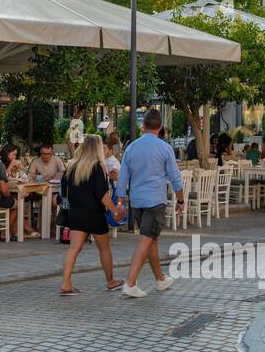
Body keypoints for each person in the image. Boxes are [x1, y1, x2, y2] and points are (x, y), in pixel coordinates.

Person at [119, 109, 182, 298]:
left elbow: (123, 177)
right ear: (160, 127)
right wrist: (181, 199)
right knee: (146, 239)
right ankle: (130, 283)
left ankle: (160, 279)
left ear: (143, 126)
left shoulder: (131, 148)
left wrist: (121, 201)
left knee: (151, 239)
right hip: (155, 200)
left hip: (137, 201)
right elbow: (175, 177)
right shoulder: (164, 148)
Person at [58, 135, 121, 294]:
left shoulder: (71, 166)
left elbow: (63, 192)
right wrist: (115, 210)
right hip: (94, 214)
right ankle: (111, 281)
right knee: (104, 248)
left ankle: (66, 283)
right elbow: (102, 194)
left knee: (74, 248)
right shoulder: (98, 167)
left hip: (76, 212)